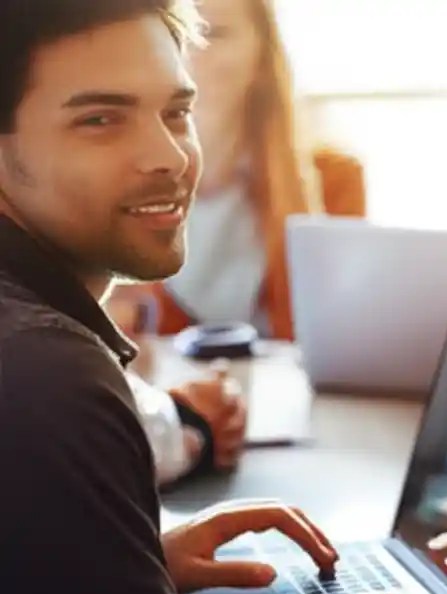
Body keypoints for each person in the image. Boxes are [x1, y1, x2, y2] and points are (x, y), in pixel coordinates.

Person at [0, 2, 434, 594]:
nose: (168, 156)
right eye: (100, 119)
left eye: (175, 112)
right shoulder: (46, 372)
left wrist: (124, 567)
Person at [120, 0, 365, 341]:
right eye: (175, 32)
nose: (191, 51)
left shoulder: (335, 179)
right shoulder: (117, 183)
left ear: (262, 53)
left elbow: (341, 334)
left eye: (213, 32)